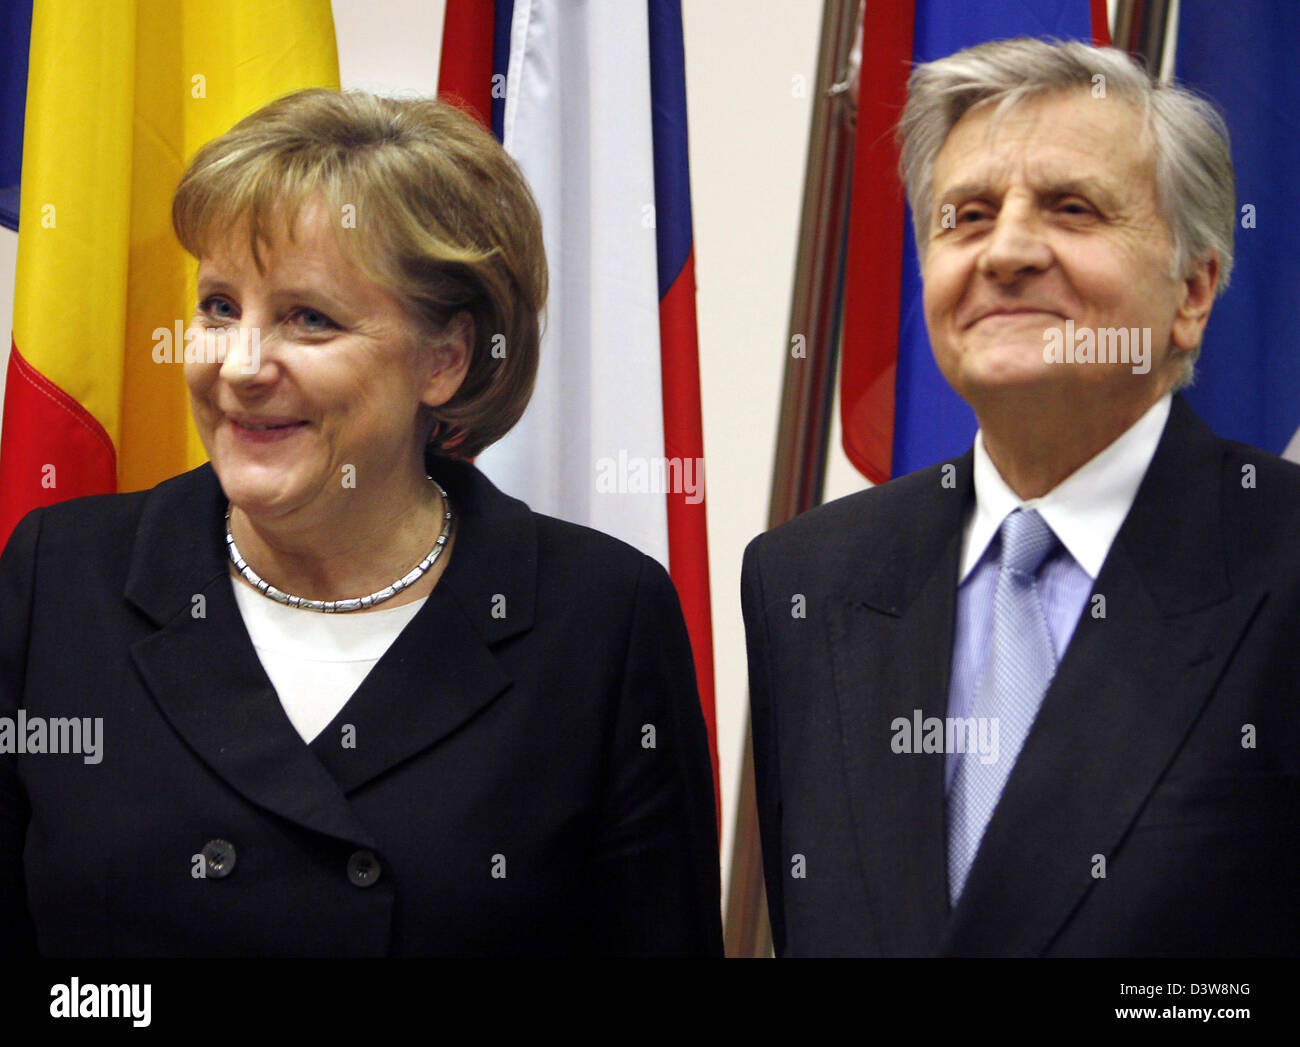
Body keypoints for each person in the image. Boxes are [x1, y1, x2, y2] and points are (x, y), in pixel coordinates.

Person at [0, 89, 723, 957]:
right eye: (221, 306)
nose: (241, 365)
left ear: (445, 359)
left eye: (309, 318)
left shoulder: (599, 617)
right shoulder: (62, 575)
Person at [742, 37, 1300, 956]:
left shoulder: (1282, 561)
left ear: (1193, 290)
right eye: (965, 216)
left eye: (1072, 209)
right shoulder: (809, 579)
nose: (1004, 252)